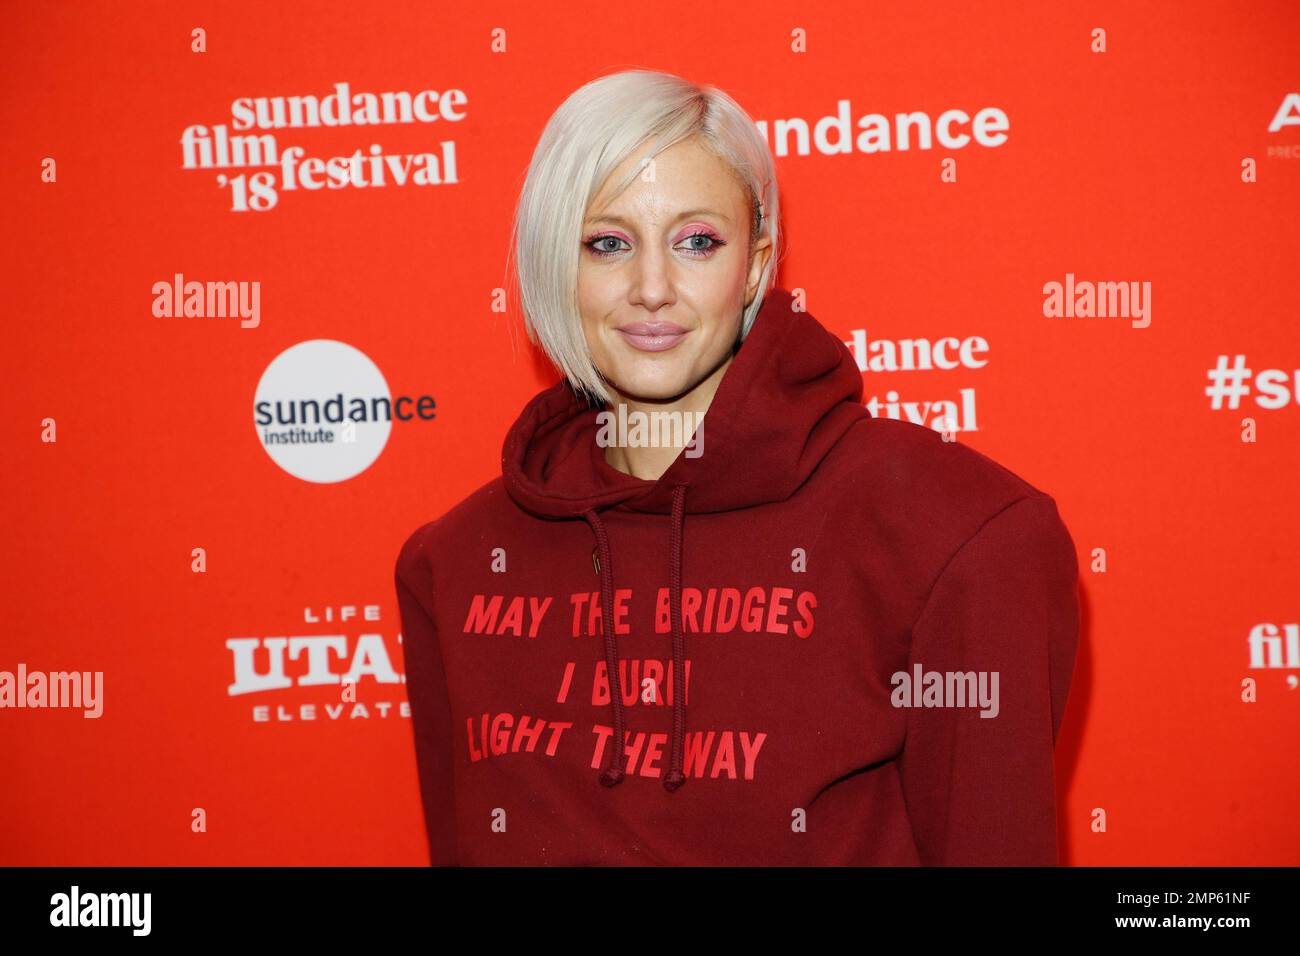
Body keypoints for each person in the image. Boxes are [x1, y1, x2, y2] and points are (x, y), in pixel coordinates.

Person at [394, 68, 1080, 866]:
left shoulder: (953, 535)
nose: (652, 288)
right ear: (555, 265)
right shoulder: (457, 563)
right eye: (607, 243)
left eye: (697, 242)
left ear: (754, 266)